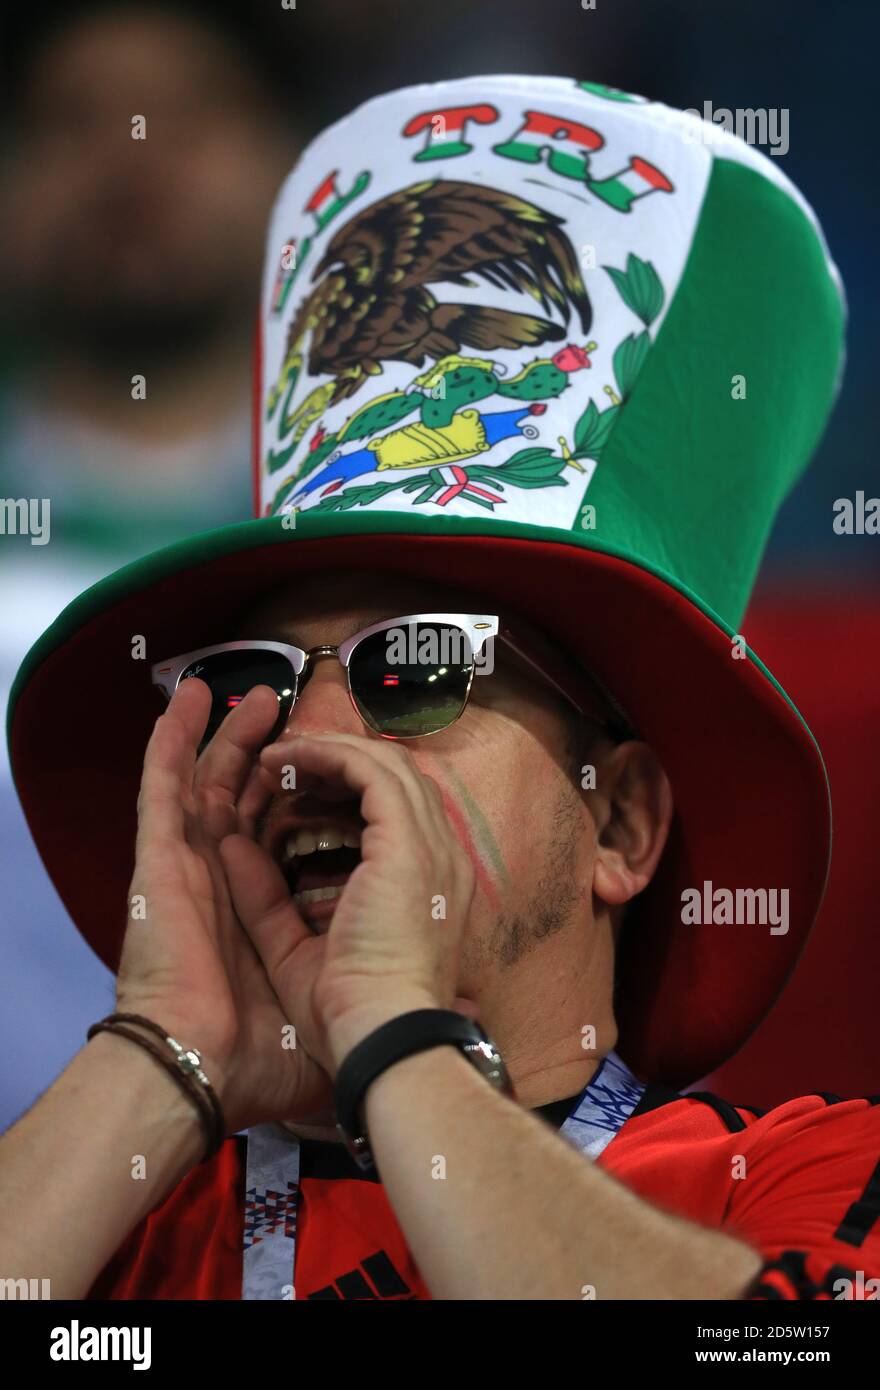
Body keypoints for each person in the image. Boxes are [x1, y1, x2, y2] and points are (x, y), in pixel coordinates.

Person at [3, 76, 878, 1302]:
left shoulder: (797, 1182)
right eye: (246, 684)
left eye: (414, 665)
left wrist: (397, 1039)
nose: (297, 742)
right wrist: (161, 1051)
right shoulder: (111, 1214)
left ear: (618, 820)